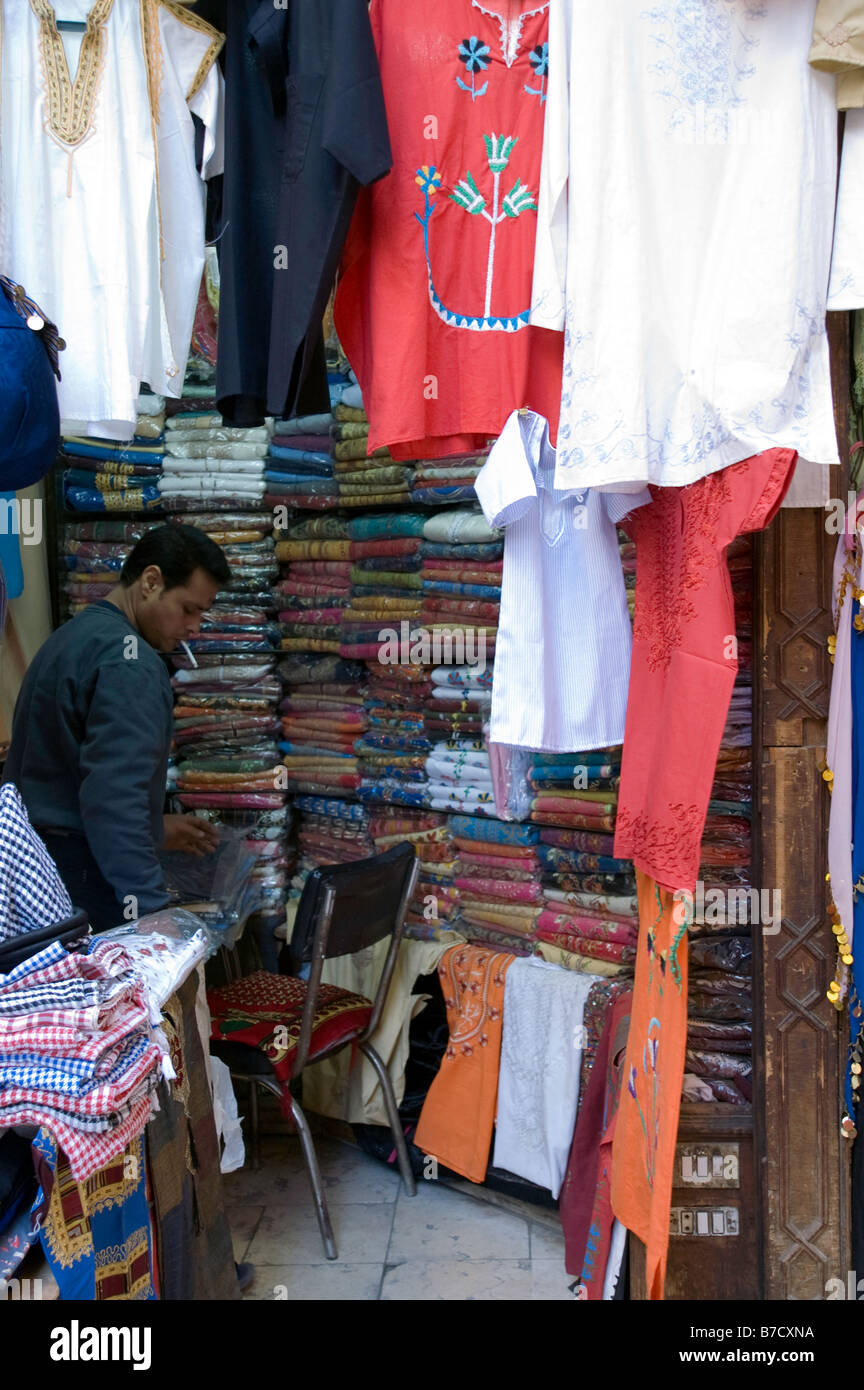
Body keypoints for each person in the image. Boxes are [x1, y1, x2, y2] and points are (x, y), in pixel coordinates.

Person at [3, 523, 231, 931]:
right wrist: (150, 909)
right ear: (151, 581)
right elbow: (114, 801)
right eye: (189, 608)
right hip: (83, 876)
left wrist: (154, 826)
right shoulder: (131, 665)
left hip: (32, 870)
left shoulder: (72, 636)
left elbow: (68, 774)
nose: (195, 627)